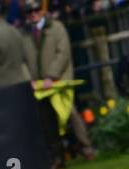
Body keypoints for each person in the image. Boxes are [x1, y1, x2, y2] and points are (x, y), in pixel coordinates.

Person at [22, 0, 94, 159]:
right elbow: (22, 61)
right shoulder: (24, 34)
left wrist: (51, 76)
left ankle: (86, 148)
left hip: (59, 81)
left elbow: (63, 53)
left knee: (71, 113)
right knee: (47, 121)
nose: (33, 13)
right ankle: (57, 157)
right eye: (29, 12)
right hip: (38, 86)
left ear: (41, 10)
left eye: (36, 10)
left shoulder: (56, 27)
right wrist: (30, 81)